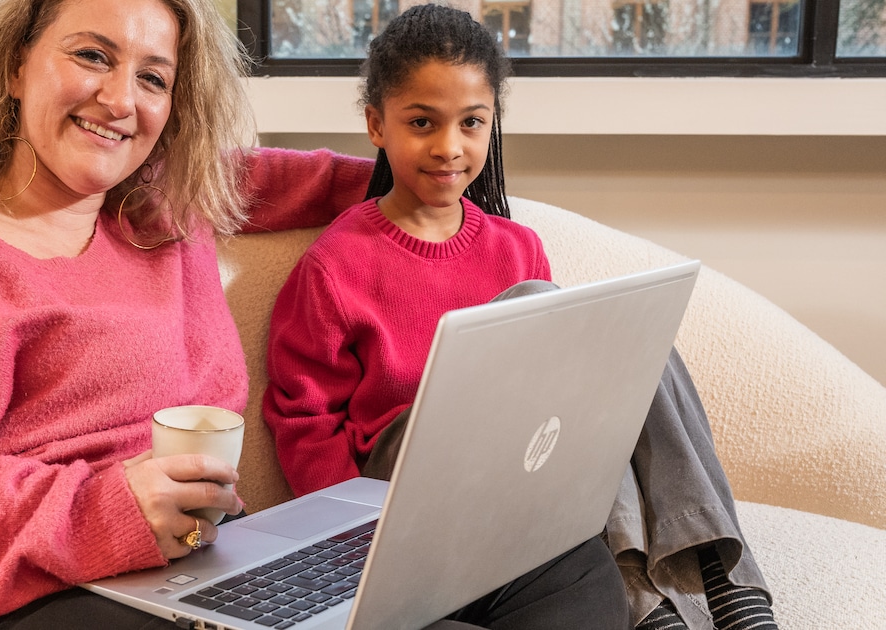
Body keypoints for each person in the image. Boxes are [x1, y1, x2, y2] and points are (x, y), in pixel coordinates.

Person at [0, 0, 373, 627]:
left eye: (153, 78)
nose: (119, 100)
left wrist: (427, 175)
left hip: (188, 563)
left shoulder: (162, 209)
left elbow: (280, 178)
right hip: (6, 595)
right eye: (92, 55)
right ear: (14, 66)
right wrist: (97, 512)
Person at [262, 5, 779, 630]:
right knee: (545, 303)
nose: (448, 147)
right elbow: (303, 420)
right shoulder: (334, 266)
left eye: (471, 123)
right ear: (376, 124)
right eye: (421, 122)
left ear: (491, 126)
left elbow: (560, 413)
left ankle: (716, 588)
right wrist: (363, 546)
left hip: (513, 472)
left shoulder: (514, 243)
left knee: (632, 350)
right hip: (409, 482)